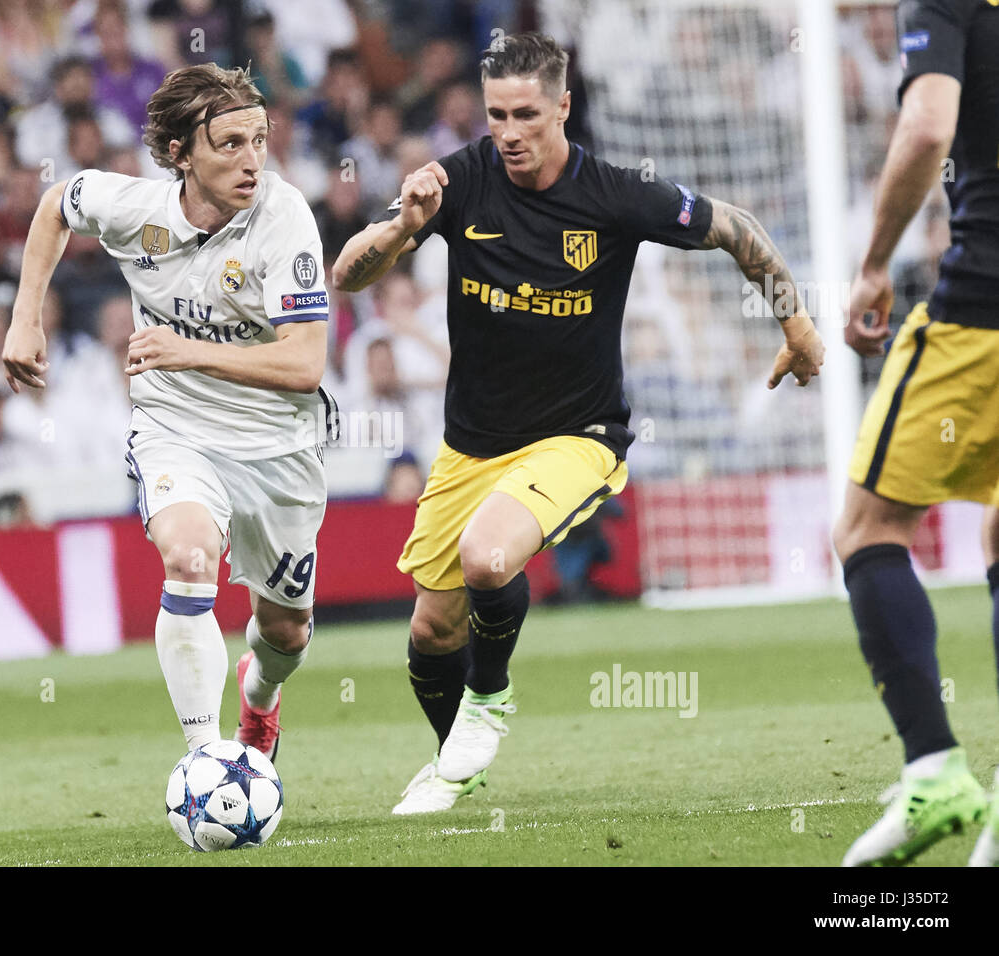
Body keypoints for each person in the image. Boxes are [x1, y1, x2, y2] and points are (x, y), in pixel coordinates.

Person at [332, 31, 825, 814]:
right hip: (470, 447)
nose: (510, 132)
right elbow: (346, 275)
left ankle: (489, 703)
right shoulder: (458, 181)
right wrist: (398, 227)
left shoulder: (616, 195)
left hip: (578, 437)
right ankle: (455, 765)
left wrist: (796, 327)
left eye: (527, 113)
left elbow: (734, 228)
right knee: (430, 633)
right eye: (496, 115)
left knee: (489, 559)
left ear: (563, 106)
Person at [2, 63, 334, 762]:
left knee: (286, 634)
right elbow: (59, 202)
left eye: (259, 140)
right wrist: (24, 319)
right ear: (180, 153)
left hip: (276, 445)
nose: (252, 161)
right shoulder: (137, 210)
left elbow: (304, 364)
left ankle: (260, 699)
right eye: (230, 145)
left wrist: (188, 351)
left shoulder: (284, 220)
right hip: (175, 430)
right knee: (187, 559)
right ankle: (207, 757)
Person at [833, 0, 999, 868]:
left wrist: (873, 261)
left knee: (868, 528)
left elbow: (928, 127)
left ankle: (935, 769)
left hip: (984, 310)